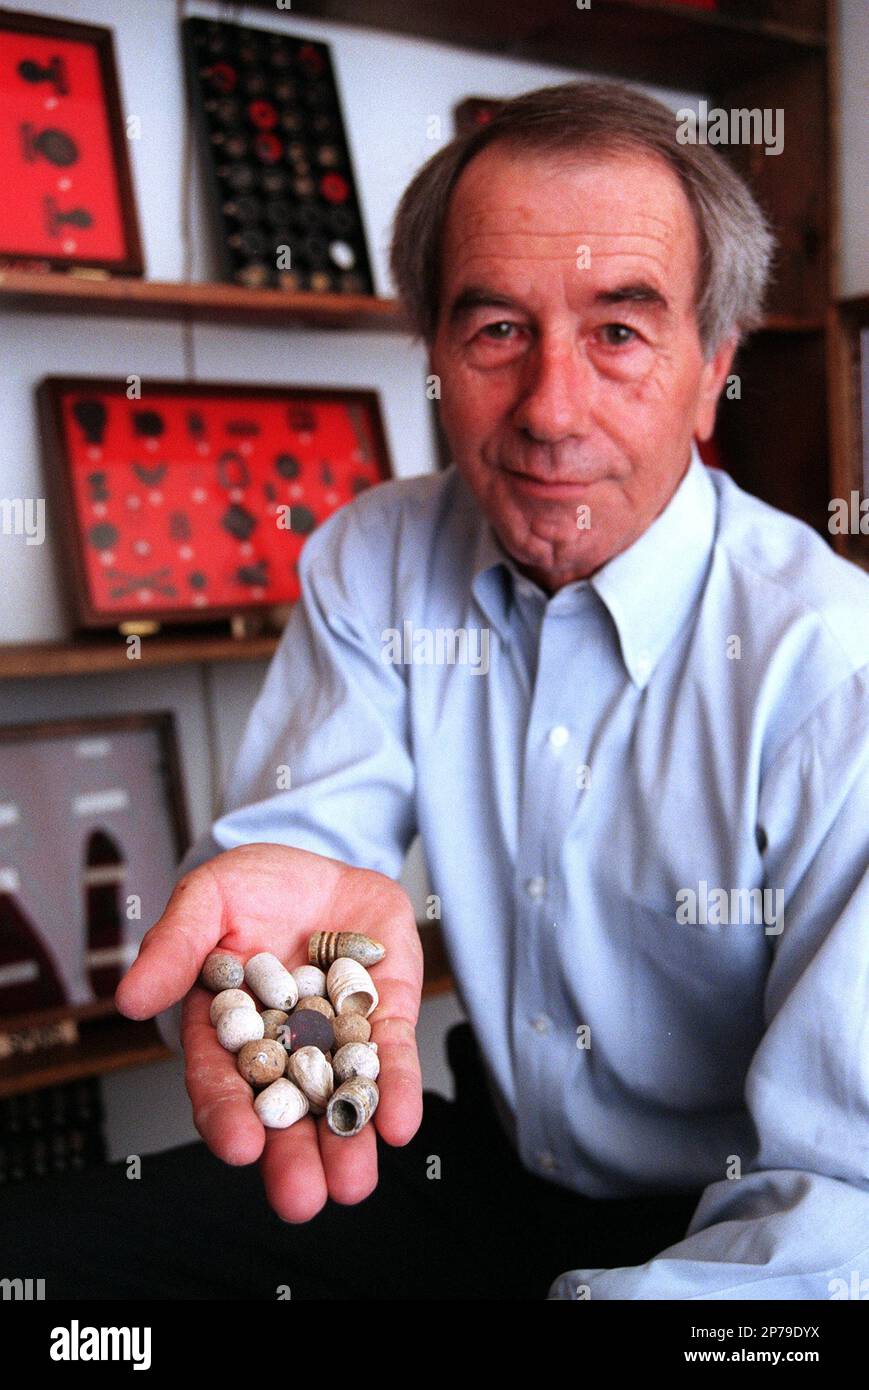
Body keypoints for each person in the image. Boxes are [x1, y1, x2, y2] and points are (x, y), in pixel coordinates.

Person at [5, 79, 868, 1300]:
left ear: (712, 361)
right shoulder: (377, 554)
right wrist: (276, 947)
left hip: (734, 1217)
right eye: (496, 331)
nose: (550, 412)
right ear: (432, 353)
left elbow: (845, 1197)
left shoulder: (835, 672)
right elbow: (300, 868)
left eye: (618, 333)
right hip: (463, 1157)